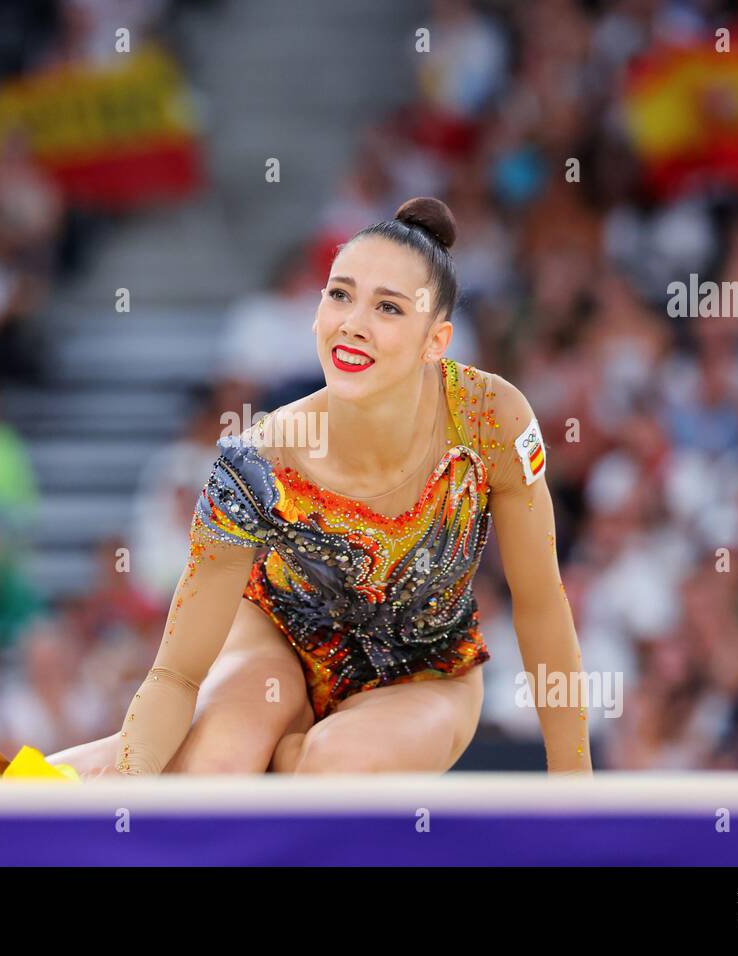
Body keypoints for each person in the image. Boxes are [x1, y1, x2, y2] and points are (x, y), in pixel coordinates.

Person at [48, 197, 592, 776]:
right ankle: (7, 792)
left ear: (437, 340)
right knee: (212, 769)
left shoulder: (491, 418)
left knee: (332, 770)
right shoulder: (255, 459)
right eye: (340, 294)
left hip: (424, 674)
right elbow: (176, 674)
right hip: (275, 647)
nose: (352, 323)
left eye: (388, 307)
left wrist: (574, 785)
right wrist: (130, 790)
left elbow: (540, 606)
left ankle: (270, 763)